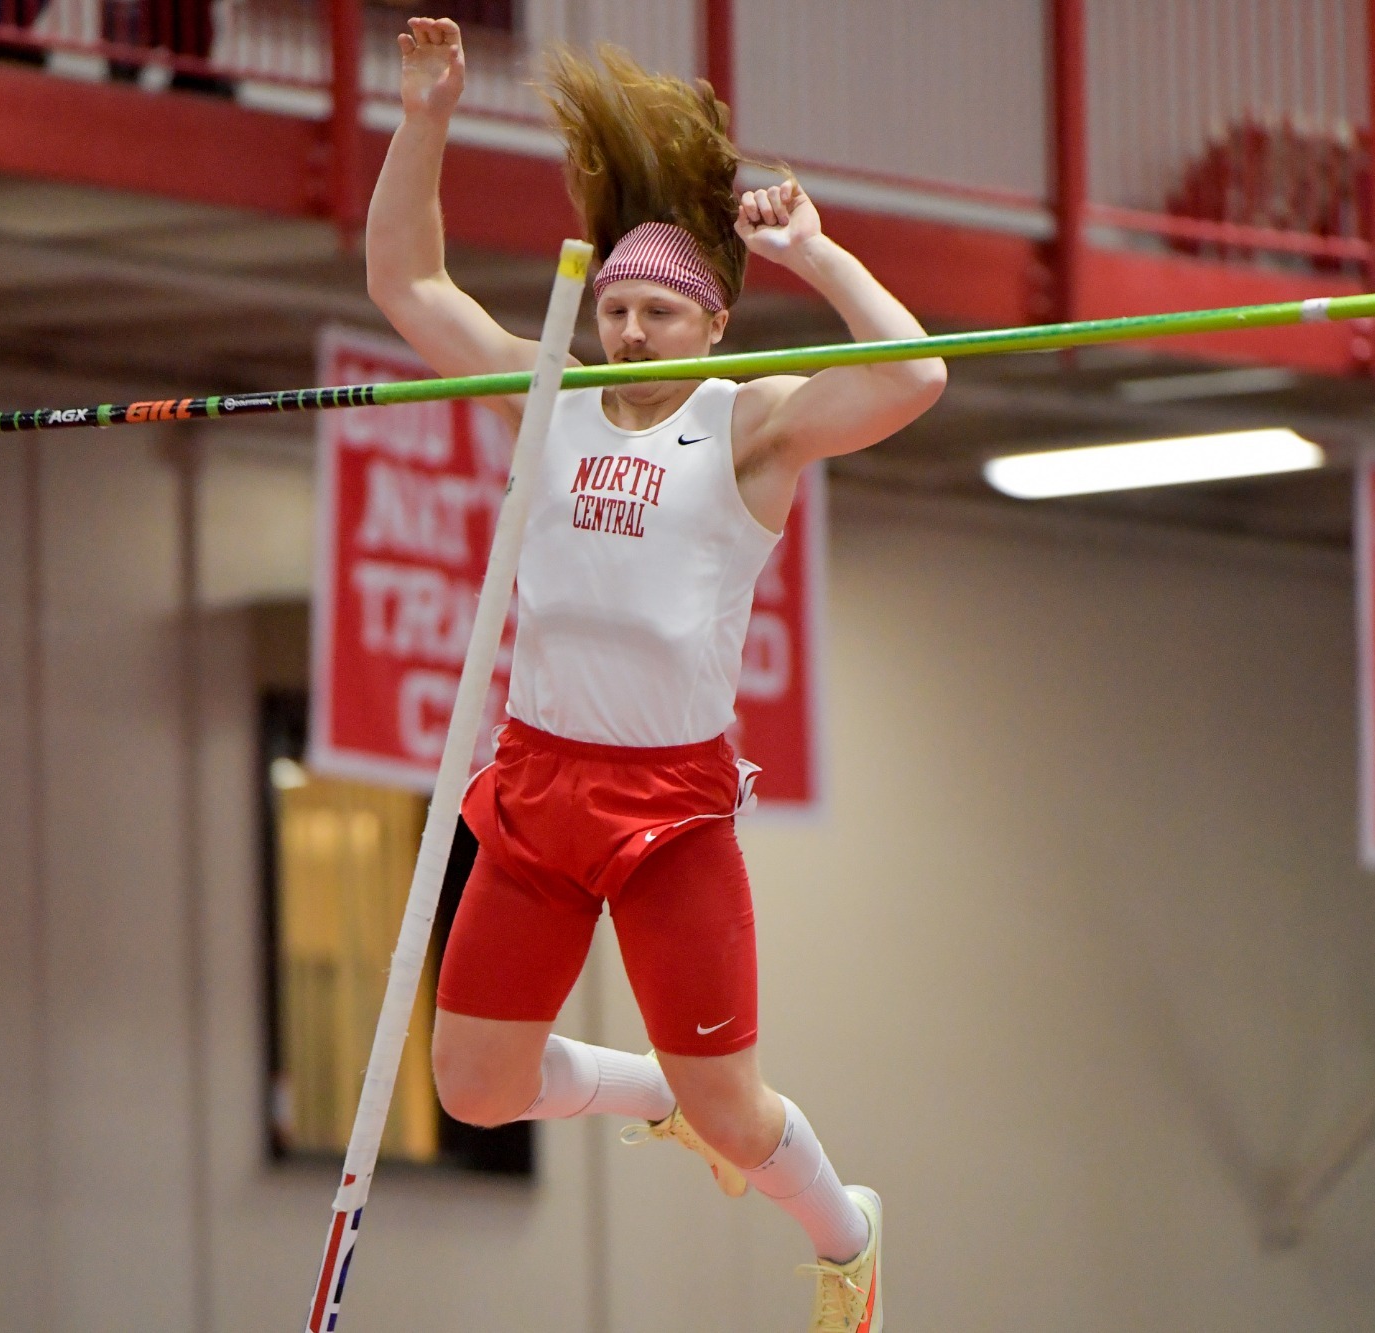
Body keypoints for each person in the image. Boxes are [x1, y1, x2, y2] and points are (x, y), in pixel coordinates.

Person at [365, 18, 944, 1332]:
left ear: (714, 321)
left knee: (737, 1115)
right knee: (473, 1086)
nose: (629, 333)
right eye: (616, 312)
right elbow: (407, 281)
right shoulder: (552, 400)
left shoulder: (751, 426)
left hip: (671, 805)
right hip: (535, 781)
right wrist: (425, 118)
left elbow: (916, 373)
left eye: (658, 313)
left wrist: (817, 253)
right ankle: (653, 1091)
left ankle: (848, 1238)